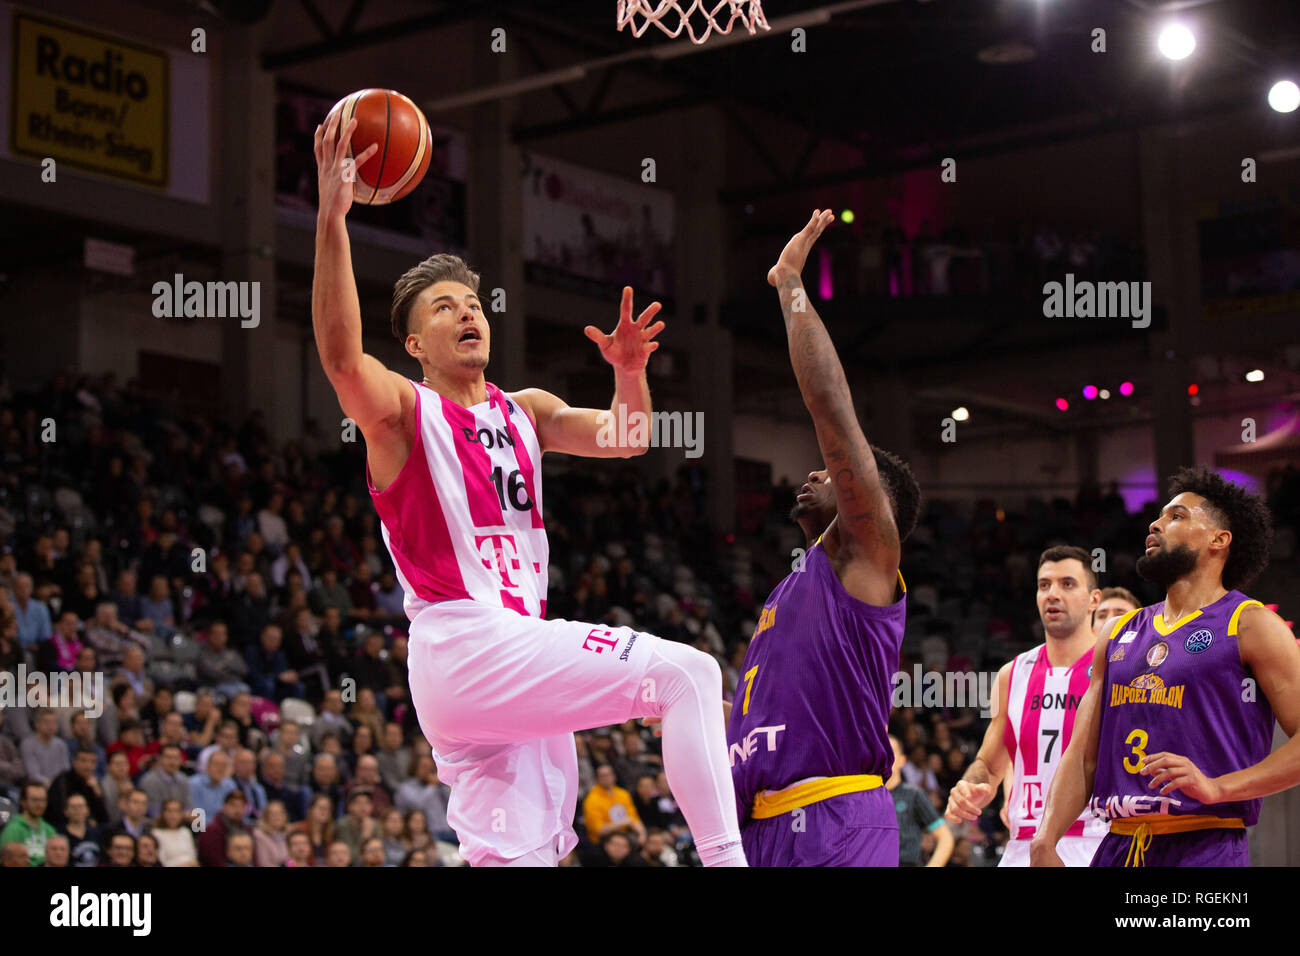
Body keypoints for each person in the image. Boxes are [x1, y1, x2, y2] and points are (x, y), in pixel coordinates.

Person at [310, 112, 744, 867]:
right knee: (689, 673)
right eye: (444, 308)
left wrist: (630, 372)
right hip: (465, 643)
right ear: (414, 345)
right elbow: (344, 359)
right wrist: (332, 218)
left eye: (473, 304)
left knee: (520, 854)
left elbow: (628, 436)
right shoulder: (404, 413)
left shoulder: (528, 411)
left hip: (511, 661)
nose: (467, 313)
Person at [727, 211, 920, 867]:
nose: (815, 472)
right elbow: (775, 717)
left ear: (871, 498)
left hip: (836, 818)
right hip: (761, 826)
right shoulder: (794, 584)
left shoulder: (868, 554)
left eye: (833, 472)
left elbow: (830, 407)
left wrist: (790, 284)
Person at [1034, 467, 1300, 867]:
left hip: (1204, 844)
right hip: (1119, 845)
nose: (1155, 524)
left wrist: (1218, 788)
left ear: (1219, 539)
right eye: (1159, 516)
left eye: (1177, 516)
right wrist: (1046, 838)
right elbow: (1083, 755)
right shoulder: (1116, 632)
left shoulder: (1250, 624)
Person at [945, 546, 1109, 866]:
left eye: (1067, 584)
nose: (1053, 594)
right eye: (1044, 585)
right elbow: (989, 764)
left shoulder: (1115, 669)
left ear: (1094, 599)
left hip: (1094, 841)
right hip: (1023, 844)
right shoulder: (1013, 674)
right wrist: (970, 785)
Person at [887, 736, 952, 867]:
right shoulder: (867, 796)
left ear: (902, 760)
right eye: (882, 751)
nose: (886, 757)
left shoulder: (913, 794)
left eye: (891, 751)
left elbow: (945, 838)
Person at [582, 763, 646, 846]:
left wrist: (642, 833)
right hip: (602, 841)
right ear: (597, 779)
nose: (606, 778)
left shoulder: (623, 794)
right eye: (603, 776)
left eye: (609, 774)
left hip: (624, 835)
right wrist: (623, 823)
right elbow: (599, 830)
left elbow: (633, 818)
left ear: (614, 776)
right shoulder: (592, 799)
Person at [0, 783, 56, 866]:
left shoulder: (49, 830)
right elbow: (5, 861)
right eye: (35, 800)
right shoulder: (12, 830)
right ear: (23, 802)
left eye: (43, 800)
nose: (39, 805)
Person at [59, 793, 103, 867]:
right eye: (73, 807)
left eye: (80, 806)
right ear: (65, 811)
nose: (77, 810)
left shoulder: (96, 833)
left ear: (87, 810)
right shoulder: (60, 835)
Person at [152, 799, 199, 867]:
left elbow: (193, 856)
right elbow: (161, 861)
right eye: (169, 811)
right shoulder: (156, 833)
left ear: (182, 814)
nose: (173, 815)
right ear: (163, 813)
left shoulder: (185, 831)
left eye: (177, 811)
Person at [253, 800, 290, 867]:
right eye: (273, 814)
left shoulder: (289, 834)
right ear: (266, 817)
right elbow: (263, 863)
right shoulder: (259, 836)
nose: (277, 816)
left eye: (280, 813)